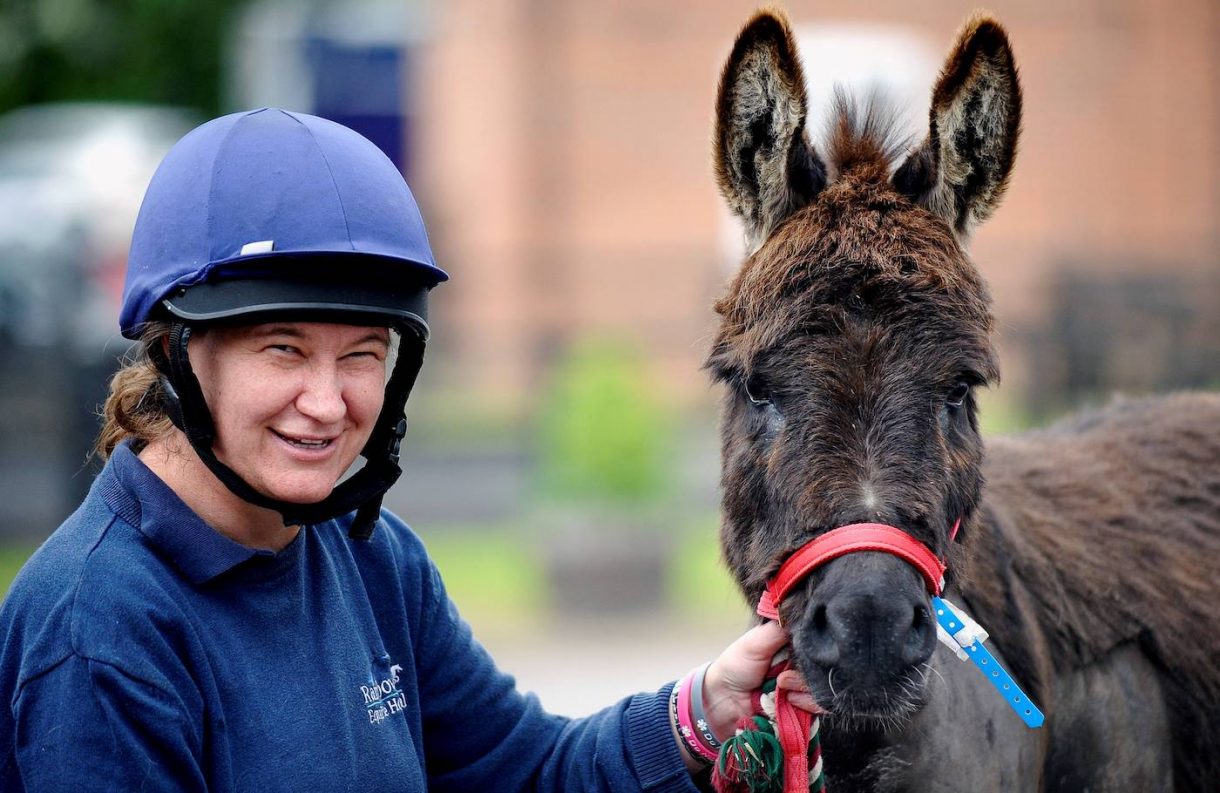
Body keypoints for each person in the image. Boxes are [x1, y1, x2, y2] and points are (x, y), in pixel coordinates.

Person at [0, 108, 811, 791]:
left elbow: (525, 770)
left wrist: (707, 711)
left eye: (362, 354)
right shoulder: (97, 632)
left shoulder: (370, 556)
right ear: (178, 353)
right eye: (282, 348)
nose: (327, 402)